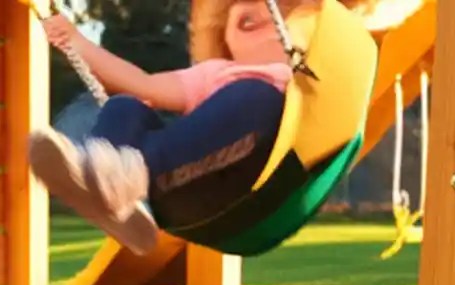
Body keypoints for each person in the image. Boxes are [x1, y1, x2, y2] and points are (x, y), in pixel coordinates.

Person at [28, 0, 319, 255]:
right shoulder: (217, 73)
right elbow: (145, 84)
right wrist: (77, 42)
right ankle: (120, 196)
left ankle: (122, 177)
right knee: (125, 105)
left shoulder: (309, 82)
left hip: (247, 176)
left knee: (257, 96)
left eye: (283, 13)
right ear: (226, 43)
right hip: (174, 190)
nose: (269, 20)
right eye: (246, 21)